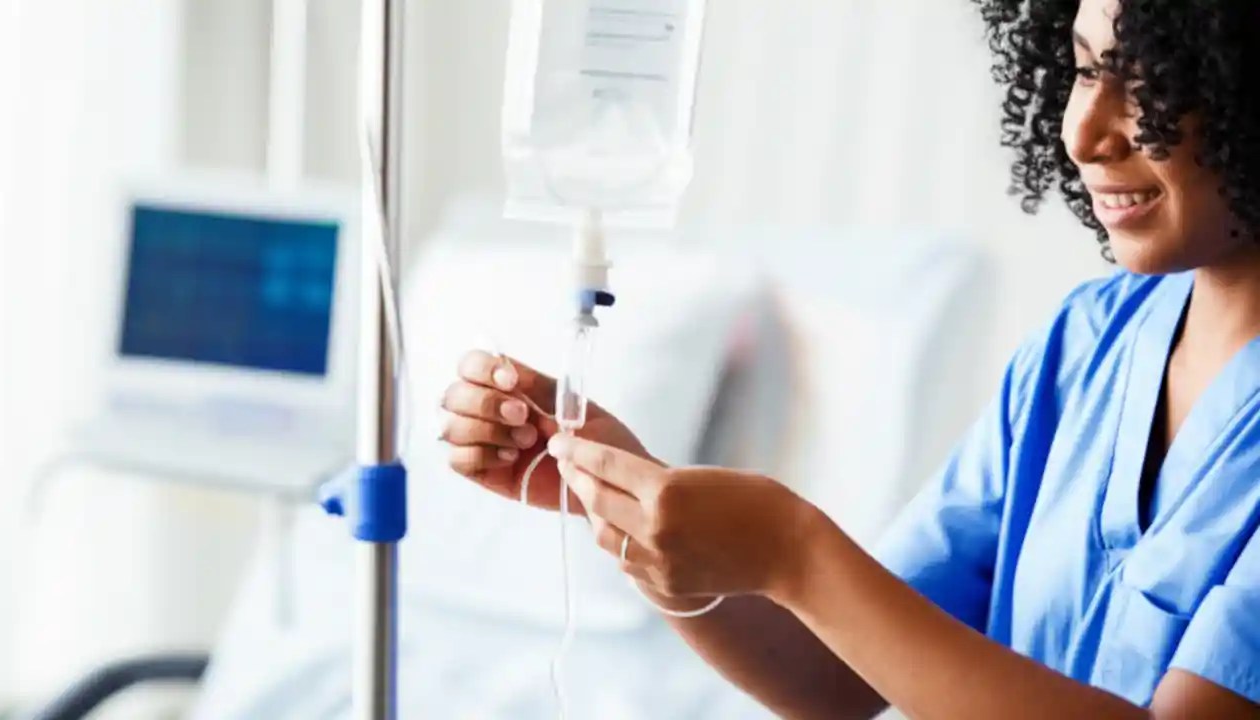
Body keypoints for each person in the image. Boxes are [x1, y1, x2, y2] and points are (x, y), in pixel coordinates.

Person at [439, 0, 1260, 716]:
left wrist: (796, 549)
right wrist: (625, 495)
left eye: (1152, 80)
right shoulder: (1084, 346)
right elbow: (836, 676)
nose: (1084, 133)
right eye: (1084, 71)